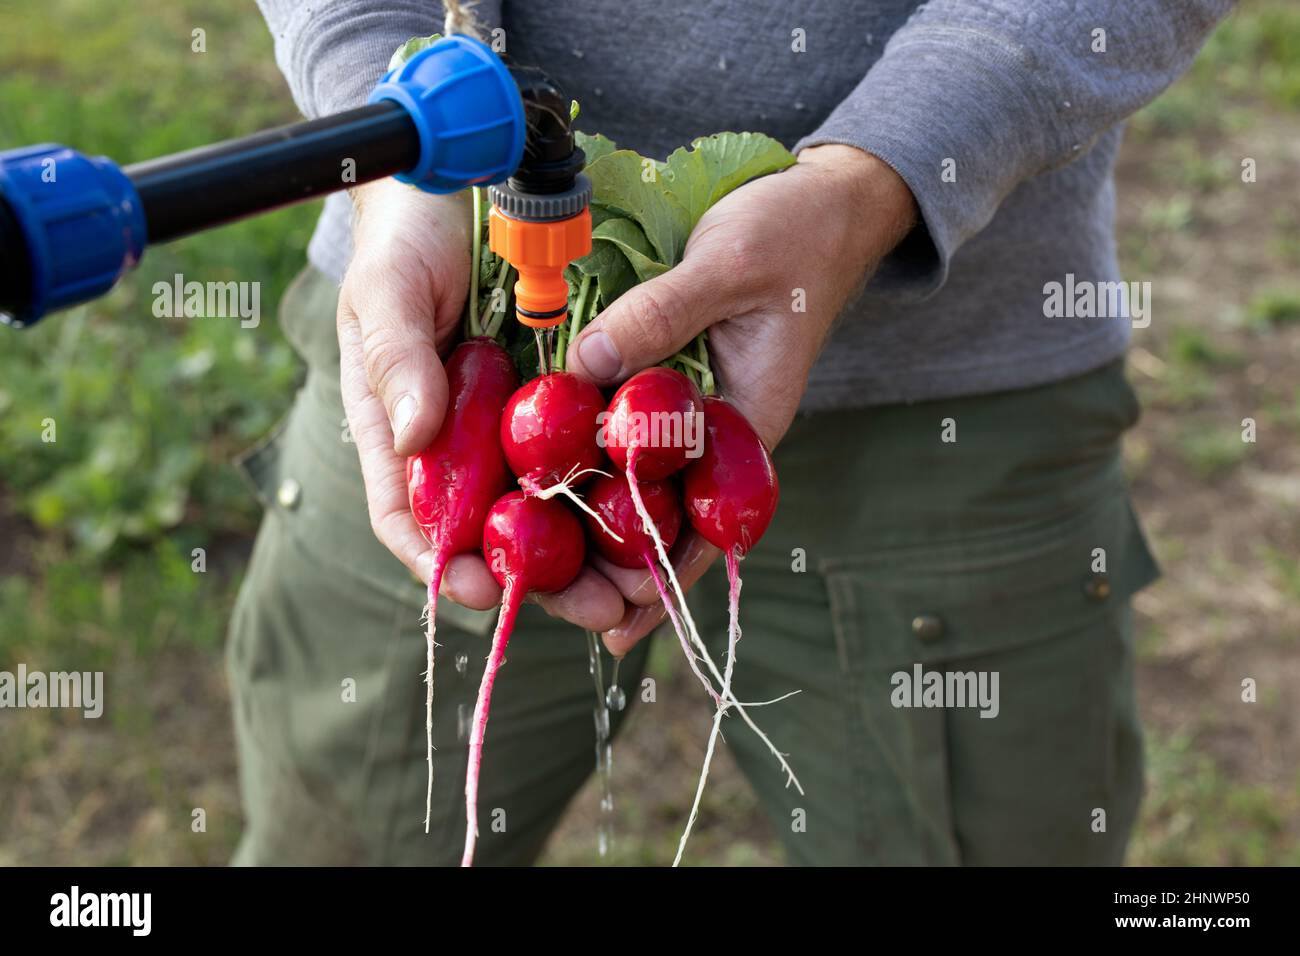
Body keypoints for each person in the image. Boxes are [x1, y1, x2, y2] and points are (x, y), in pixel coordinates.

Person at [231, 0, 1233, 865]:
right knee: (345, 823)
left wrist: (875, 179)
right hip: (448, 333)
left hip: (950, 380)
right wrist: (392, 146)